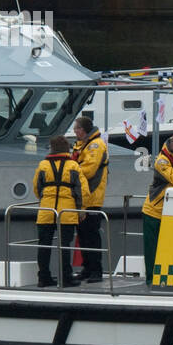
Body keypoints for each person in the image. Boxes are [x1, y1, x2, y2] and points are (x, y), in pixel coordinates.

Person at [33, 134, 87, 287]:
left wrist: (44, 198)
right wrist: (81, 209)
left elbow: (36, 187)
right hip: (66, 212)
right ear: (66, 149)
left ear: (52, 148)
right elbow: (81, 190)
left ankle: (43, 277)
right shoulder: (73, 166)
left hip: (46, 210)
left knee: (44, 244)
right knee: (64, 245)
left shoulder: (43, 165)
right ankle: (66, 278)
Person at [141, 134, 173, 285]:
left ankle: (164, 277)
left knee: (168, 248)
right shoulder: (161, 161)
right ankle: (150, 280)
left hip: (169, 212)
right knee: (152, 250)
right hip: (153, 211)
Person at [71, 115, 109, 282]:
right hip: (82, 199)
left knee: (92, 235)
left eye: (77, 128)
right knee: (83, 235)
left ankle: (96, 271)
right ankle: (87, 267)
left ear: (83, 129)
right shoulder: (81, 145)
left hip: (92, 198)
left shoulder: (96, 145)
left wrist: (71, 170)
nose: (75, 131)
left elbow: (89, 170)